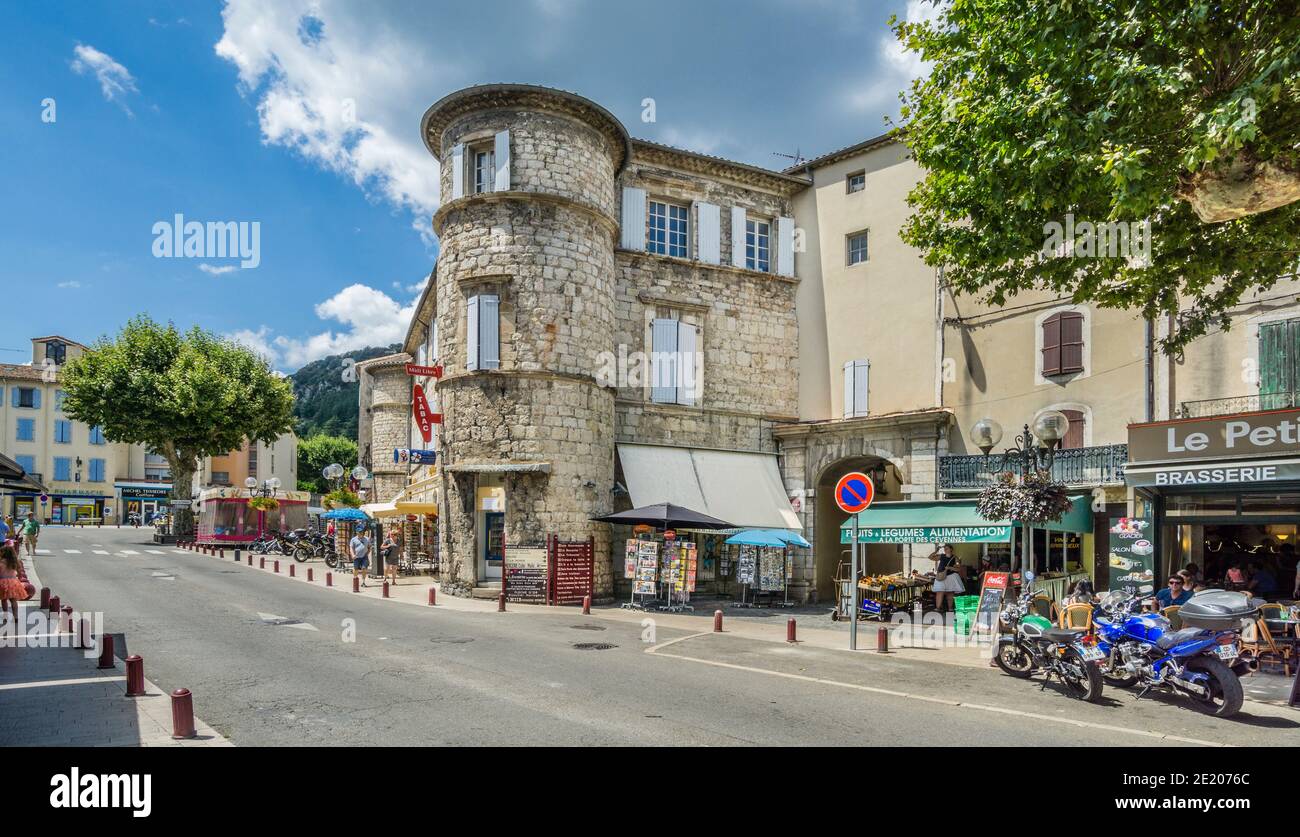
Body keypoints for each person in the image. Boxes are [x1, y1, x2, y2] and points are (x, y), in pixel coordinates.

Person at [931, 543, 964, 612]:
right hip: (941, 576)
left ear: (951, 549)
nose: (945, 549)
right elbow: (930, 557)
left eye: (947, 548)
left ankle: (950, 608)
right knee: (939, 592)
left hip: (951, 576)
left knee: (950, 592)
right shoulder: (941, 556)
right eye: (944, 548)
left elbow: (958, 569)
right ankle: (938, 608)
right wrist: (936, 550)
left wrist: (950, 567)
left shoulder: (955, 558)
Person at [0, 543, 23, 628]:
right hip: (13, 582)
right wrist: (19, 579)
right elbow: (20, 572)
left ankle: (5, 617)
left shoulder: (1, 562)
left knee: (4, 600)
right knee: (13, 600)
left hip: (3, 582)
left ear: (3, 553)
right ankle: (15, 616)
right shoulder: (15, 562)